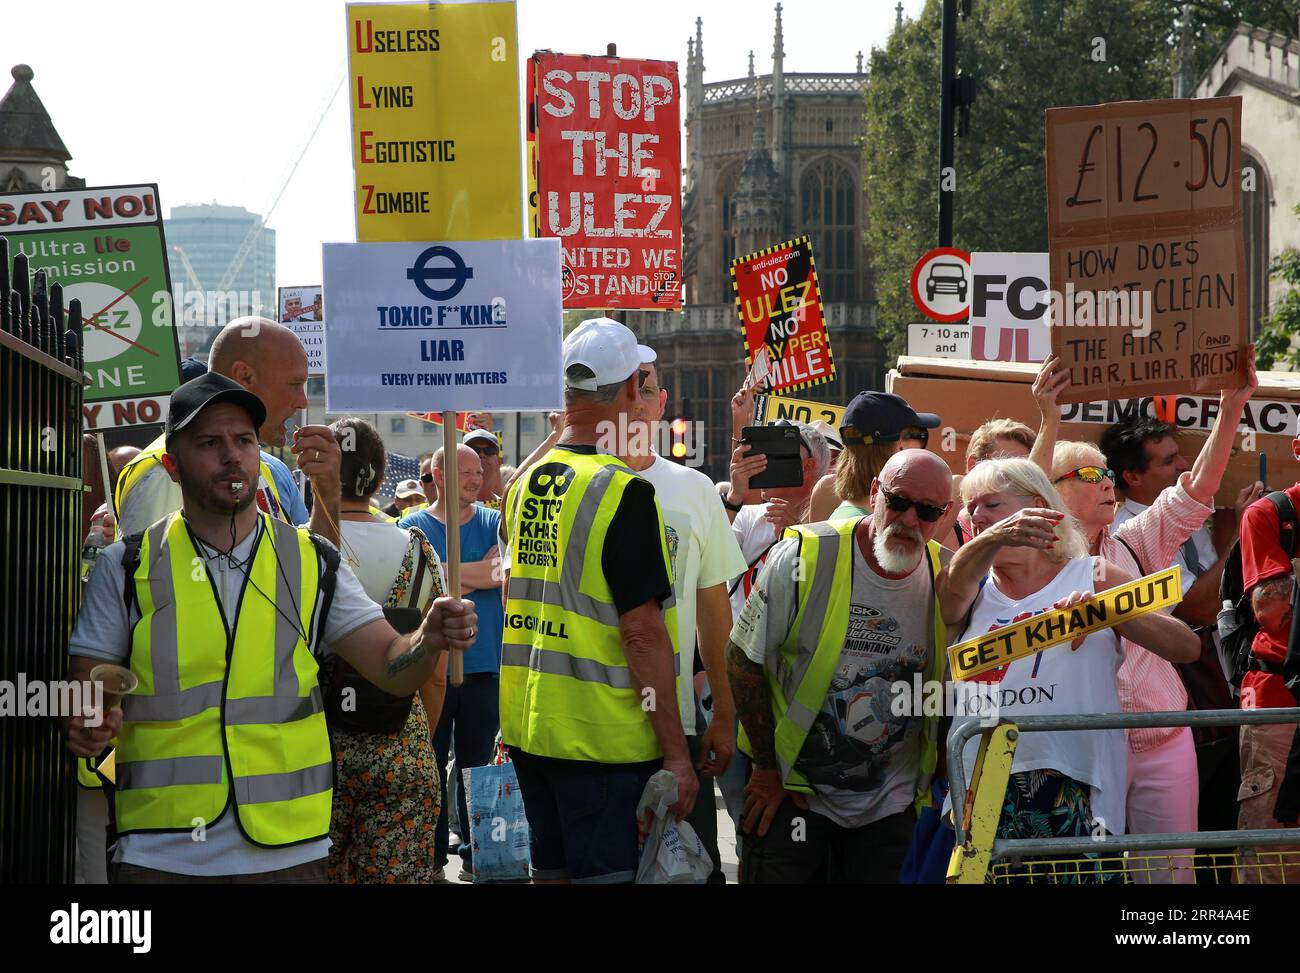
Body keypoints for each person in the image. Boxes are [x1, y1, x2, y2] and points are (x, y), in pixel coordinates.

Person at [65, 375, 476, 883]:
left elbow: (392, 667)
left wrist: (427, 639)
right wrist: (90, 715)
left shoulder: (312, 562)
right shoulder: (124, 566)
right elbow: (89, 682)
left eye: (244, 440)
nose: (232, 456)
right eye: (209, 442)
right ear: (172, 464)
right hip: (160, 853)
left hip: (289, 853)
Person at [1040, 352, 1259, 882]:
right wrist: (1048, 420)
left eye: (1107, 472)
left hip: (1164, 739)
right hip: (1088, 747)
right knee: (1089, 874)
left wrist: (1232, 406)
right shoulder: (1037, 562)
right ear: (1054, 490)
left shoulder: (1137, 540)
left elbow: (1198, 487)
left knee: (1168, 878)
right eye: (1090, 473)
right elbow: (1023, 483)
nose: (1106, 481)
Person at [500, 317, 696, 884]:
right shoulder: (625, 492)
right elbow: (642, 634)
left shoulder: (526, 483)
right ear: (634, 389)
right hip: (602, 744)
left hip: (531, 733)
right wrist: (676, 754)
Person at [941, 458, 1199, 881]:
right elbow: (949, 592)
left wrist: (1104, 612)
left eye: (991, 504)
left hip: (1075, 782)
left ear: (1040, 507)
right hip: (983, 783)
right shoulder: (968, 588)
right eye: (971, 508)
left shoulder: (1091, 574)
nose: (977, 516)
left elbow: (1186, 646)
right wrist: (994, 536)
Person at [726, 449, 953, 882]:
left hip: (890, 804)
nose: (909, 520)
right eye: (899, 501)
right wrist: (766, 768)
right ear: (874, 493)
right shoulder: (804, 555)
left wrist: (941, 774)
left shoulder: (947, 578)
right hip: (793, 792)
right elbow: (741, 658)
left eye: (927, 511)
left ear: (944, 515)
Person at [1102, 400, 1265, 878]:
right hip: (1146, 714)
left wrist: (1230, 527)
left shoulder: (1159, 522)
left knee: (1186, 858)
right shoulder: (1123, 534)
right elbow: (1195, 608)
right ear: (1130, 476)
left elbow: (1198, 492)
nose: (1182, 466)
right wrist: (1244, 539)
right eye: (1169, 460)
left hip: (1192, 709)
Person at [620, 343, 747, 882]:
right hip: (592, 730)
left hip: (679, 722)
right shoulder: (569, 484)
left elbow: (713, 608)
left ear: (661, 401)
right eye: (624, 386)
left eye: (646, 386)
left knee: (692, 870)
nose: (636, 398)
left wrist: (723, 711)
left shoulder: (694, 488)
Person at [323, 418, 449, 884]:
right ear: (379, 478)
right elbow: (436, 670)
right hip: (402, 743)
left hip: (318, 750)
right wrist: (421, 737)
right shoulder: (418, 548)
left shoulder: (296, 544)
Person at [114, 317, 342, 546]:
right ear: (245, 376)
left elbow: (314, 571)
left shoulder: (262, 467)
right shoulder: (166, 474)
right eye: (294, 384)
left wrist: (327, 496)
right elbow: (147, 573)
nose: (302, 402)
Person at [401, 444, 505, 882]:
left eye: (479, 472)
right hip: (431, 669)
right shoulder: (412, 526)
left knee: (477, 766)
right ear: (439, 475)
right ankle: (432, 859)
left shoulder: (493, 522)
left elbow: (501, 572)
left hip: (485, 665)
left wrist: (448, 570)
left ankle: (476, 856)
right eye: (465, 472)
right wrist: (471, 573)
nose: (475, 480)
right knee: (430, 760)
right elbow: (419, 580)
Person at [1233, 457, 1300, 883]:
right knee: (1273, 857)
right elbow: (1270, 609)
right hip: (1279, 699)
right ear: (1296, 447)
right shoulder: (1270, 512)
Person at [807, 392, 940, 523]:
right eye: (916, 436)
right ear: (899, 447)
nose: (920, 448)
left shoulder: (826, 493)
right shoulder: (882, 528)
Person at [464, 428, 504, 509]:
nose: (482, 455)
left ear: (498, 462)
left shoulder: (506, 508)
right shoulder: (452, 506)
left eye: (489, 450)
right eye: (474, 450)